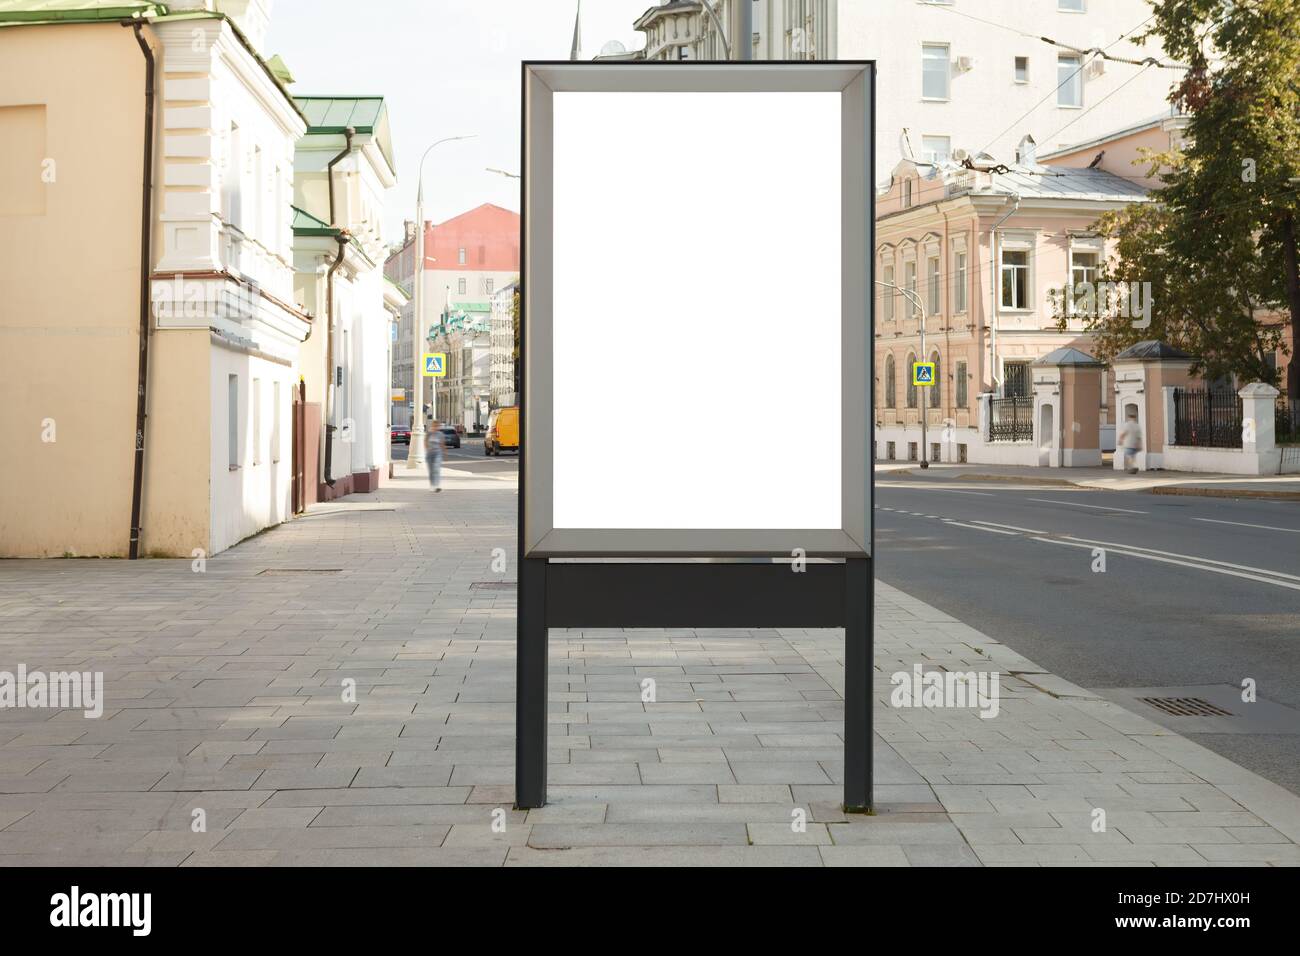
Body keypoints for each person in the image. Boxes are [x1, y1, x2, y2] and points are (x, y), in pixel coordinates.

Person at [1119, 408, 1143, 474]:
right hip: (1135, 444)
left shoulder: (1127, 424)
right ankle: (1133, 467)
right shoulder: (1137, 425)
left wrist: (1120, 440)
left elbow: (1124, 433)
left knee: (1128, 456)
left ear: (1129, 417)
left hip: (1128, 444)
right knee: (1132, 457)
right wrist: (1139, 445)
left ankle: (1132, 467)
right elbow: (1139, 437)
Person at [426, 419, 446, 492]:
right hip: (430, 454)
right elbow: (425, 442)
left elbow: (442, 444)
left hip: (438, 453)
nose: (437, 427)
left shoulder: (440, 434)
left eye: (438, 426)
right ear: (433, 426)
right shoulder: (429, 433)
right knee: (431, 470)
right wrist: (428, 448)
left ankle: (437, 486)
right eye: (435, 425)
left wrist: (445, 453)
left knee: (436, 469)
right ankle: (432, 485)